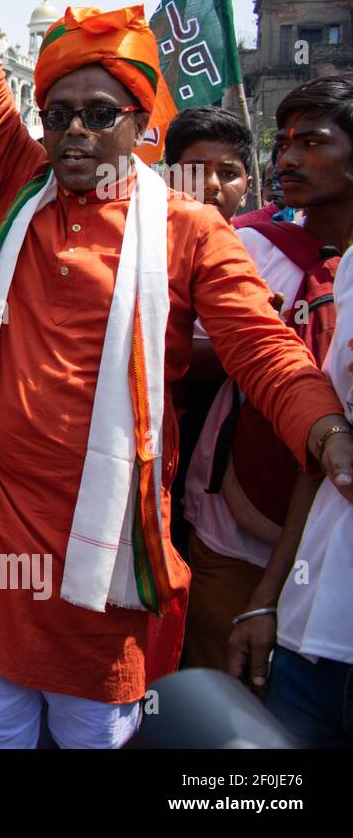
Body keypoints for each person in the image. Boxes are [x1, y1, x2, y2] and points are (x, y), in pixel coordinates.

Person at [0, 0, 353, 750]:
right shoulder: (16, 185)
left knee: (95, 739)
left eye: (98, 117)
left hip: (104, 566)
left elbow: (263, 349)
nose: (72, 134)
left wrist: (327, 434)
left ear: (139, 124)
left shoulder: (188, 229)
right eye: (57, 114)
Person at [226, 76, 353, 747]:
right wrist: (270, 597)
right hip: (311, 637)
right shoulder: (350, 271)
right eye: (285, 143)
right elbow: (323, 462)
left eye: (313, 142)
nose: (287, 159)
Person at [165, 106, 254, 221]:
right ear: (169, 180)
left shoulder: (256, 238)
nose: (212, 184)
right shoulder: (144, 237)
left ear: (245, 190)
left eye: (228, 174)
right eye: (196, 171)